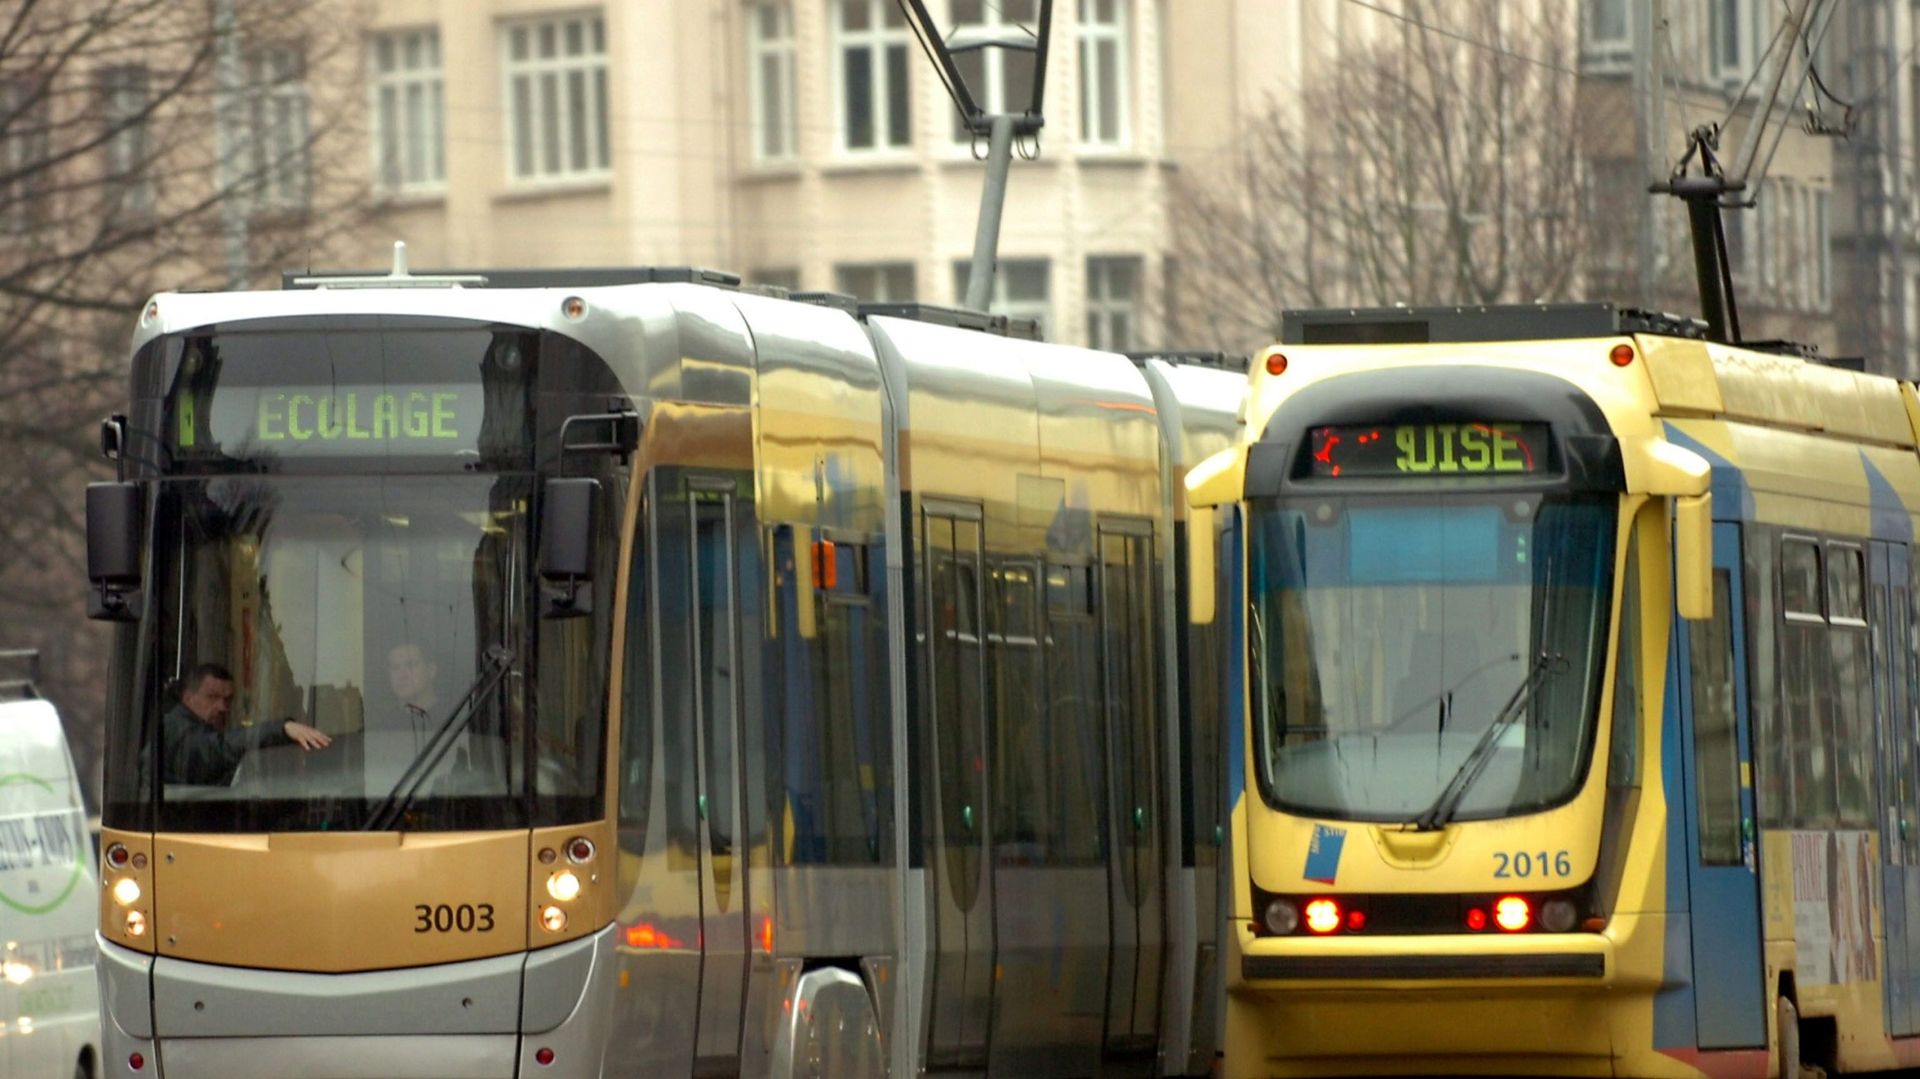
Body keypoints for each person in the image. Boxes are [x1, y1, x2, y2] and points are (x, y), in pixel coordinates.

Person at [161, 663, 332, 785]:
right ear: (188, 698)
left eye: (228, 700)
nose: (222, 707)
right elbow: (215, 748)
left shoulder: (201, 730)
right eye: (212, 697)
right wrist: (282, 729)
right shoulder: (174, 728)